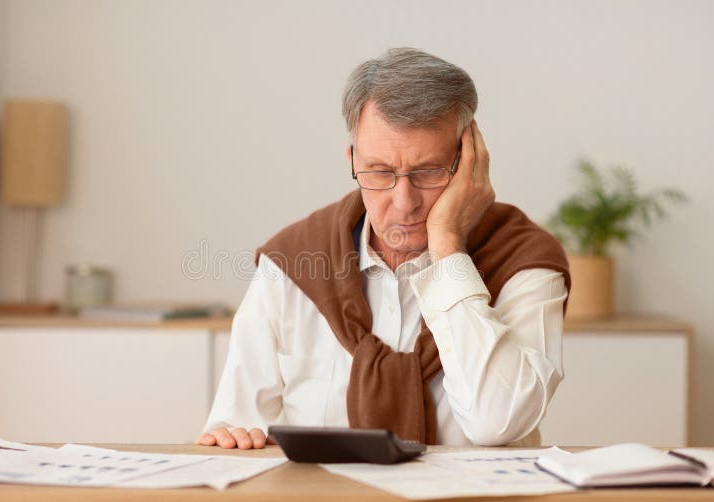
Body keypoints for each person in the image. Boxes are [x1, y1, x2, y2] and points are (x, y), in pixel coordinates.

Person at [196, 48, 570, 450]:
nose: (404, 201)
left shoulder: (525, 260)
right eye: (379, 172)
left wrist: (447, 247)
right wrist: (231, 437)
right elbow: (236, 430)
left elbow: (497, 423)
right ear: (352, 159)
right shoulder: (289, 264)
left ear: (469, 165)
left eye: (428, 172)